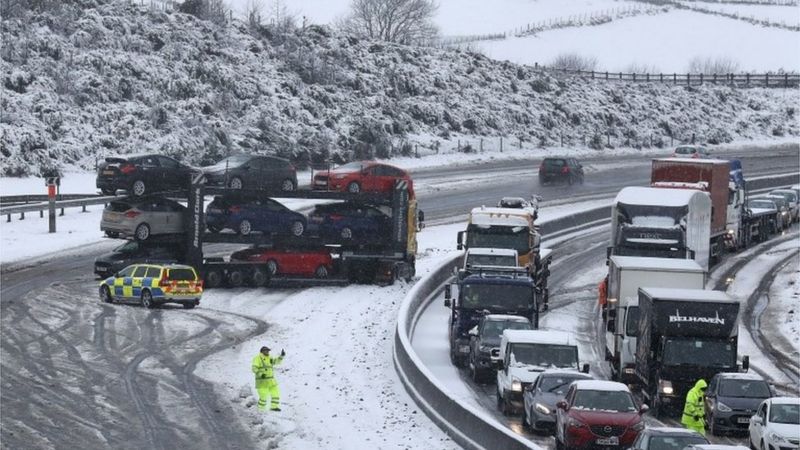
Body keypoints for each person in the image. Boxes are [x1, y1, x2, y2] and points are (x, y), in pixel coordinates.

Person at [251, 345, 285, 411]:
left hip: (271, 381)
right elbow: (254, 368)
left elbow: (276, 361)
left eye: (268, 351)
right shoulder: (257, 358)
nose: (267, 352)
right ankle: (260, 409)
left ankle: (274, 407)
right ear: (262, 351)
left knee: (276, 394)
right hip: (262, 381)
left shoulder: (270, 357)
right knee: (263, 396)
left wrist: (281, 356)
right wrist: (261, 374)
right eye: (266, 350)